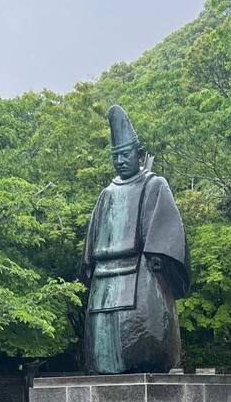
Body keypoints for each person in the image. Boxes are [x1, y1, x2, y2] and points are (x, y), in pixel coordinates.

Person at [80, 105, 190, 373]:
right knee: (102, 341)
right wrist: (90, 265)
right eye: (115, 156)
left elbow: (167, 229)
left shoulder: (155, 184)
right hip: (106, 276)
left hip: (141, 272)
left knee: (144, 340)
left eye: (125, 154)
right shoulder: (106, 194)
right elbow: (93, 239)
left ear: (138, 154)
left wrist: (157, 258)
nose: (120, 161)